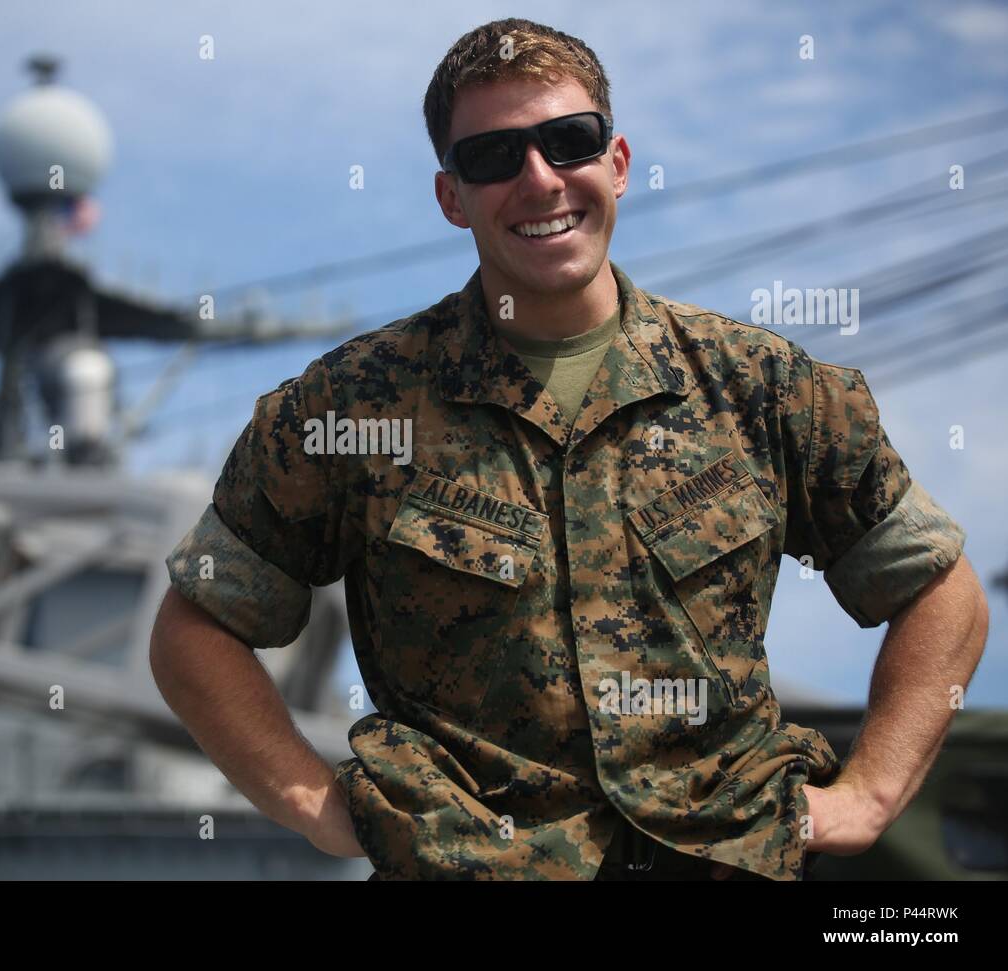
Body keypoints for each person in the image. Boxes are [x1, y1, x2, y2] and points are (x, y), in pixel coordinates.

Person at [149, 17, 989, 881]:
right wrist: (318, 807)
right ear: (451, 197)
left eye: (568, 141)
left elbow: (938, 589)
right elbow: (196, 628)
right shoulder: (352, 405)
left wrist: (872, 795)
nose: (540, 179)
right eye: (494, 157)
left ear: (617, 162)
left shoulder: (761, 388)